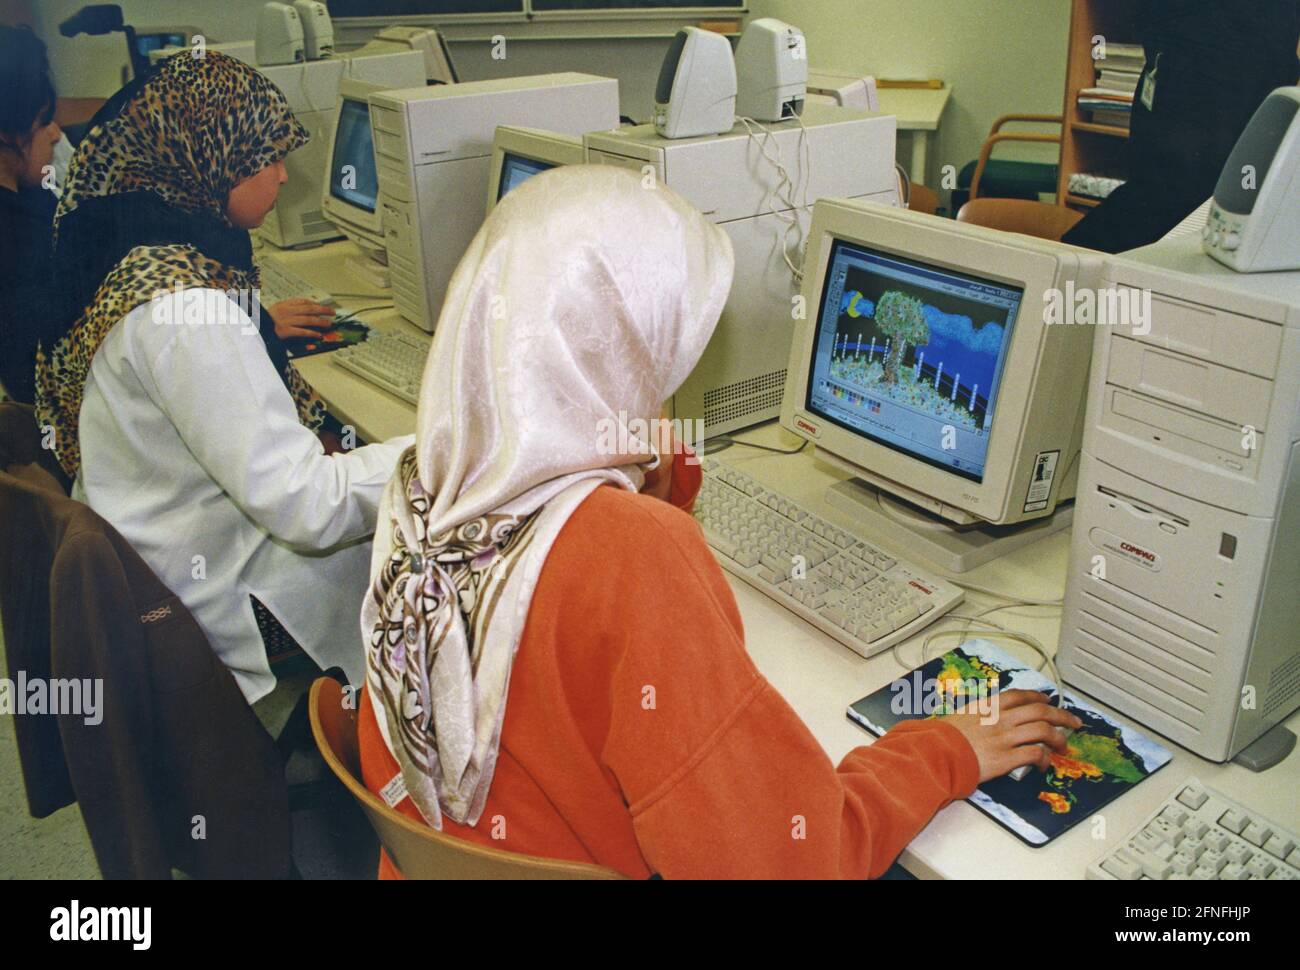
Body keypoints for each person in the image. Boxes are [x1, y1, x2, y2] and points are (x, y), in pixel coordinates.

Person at [356, 165, 1081, 880]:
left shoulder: (428, 487)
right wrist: (945, 749)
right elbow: (791, 864)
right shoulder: (631, 559)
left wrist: (643, 475)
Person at [34, 52, 413, 702]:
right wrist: (435, 446)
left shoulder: (146, 258)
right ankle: (403, 762)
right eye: (266, 156)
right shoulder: (188, 313)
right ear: (209, 157)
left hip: (163, 563)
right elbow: (307, 508)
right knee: (439, 562)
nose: (283, 173)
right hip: (211, 608)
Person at [1063, 0, 1300, 253]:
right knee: (1171, 192)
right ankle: (1063, 273)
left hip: (1246, 53)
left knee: (1230, 202)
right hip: (1201, 55)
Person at [0, 25, 63, 403]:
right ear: (8, 134)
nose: (55, 134)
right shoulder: (19, 243)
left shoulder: (30, 203)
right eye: (44, 122)